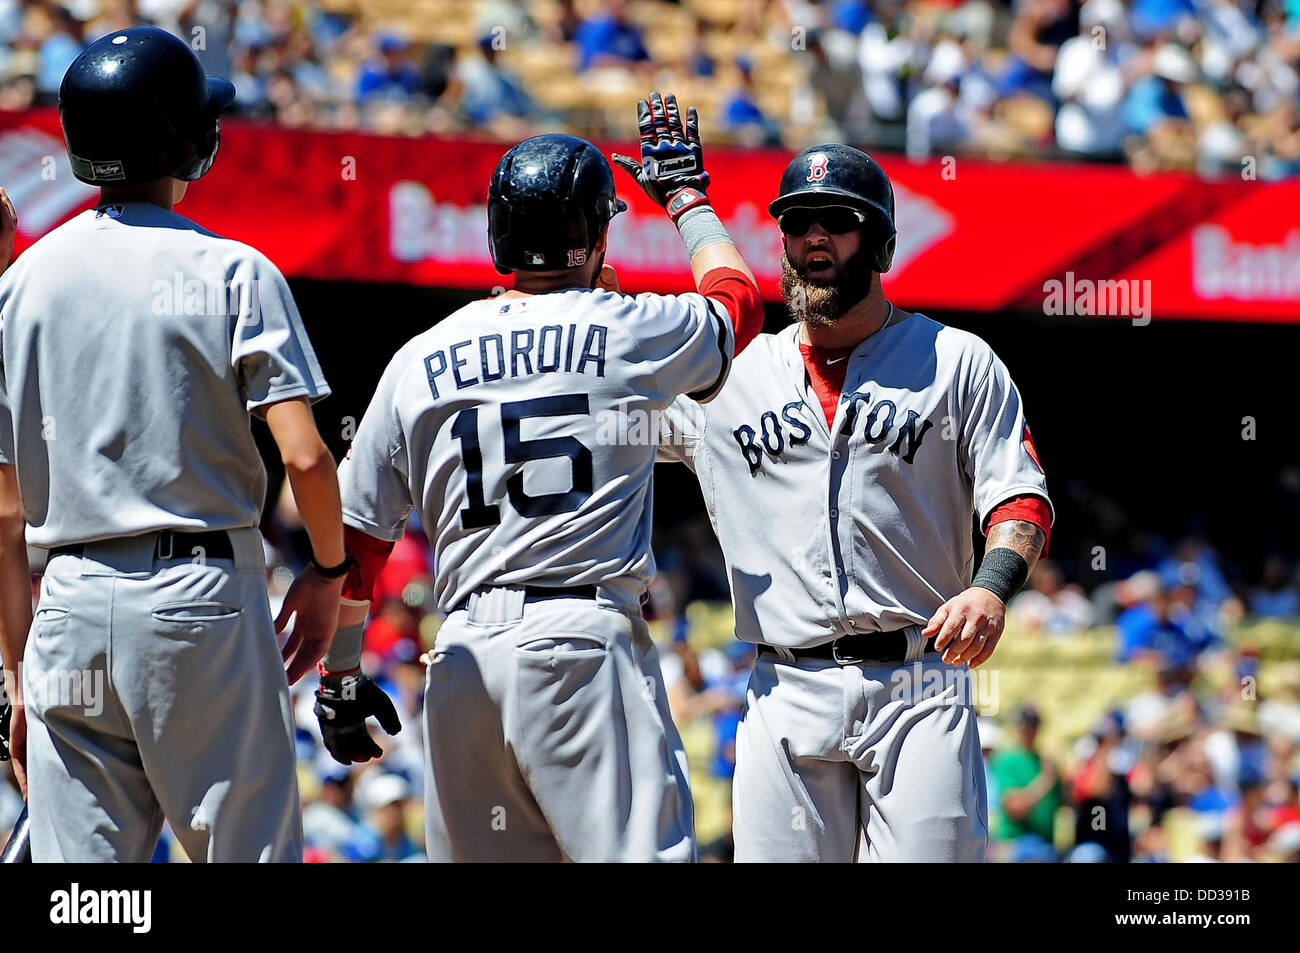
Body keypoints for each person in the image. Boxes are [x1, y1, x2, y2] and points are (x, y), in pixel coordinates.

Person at [305, 93, 764, 861]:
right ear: (598, 234)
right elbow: (738, 304)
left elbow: (358, 542)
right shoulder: (626, 327)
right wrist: (687, 198)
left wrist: (342, 674)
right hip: (580, 641)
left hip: (461, 657)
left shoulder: (421, 356)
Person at [0, 27, 345, 862]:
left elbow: (4, 515)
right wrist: (330, 574)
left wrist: (18, 678)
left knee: (85, 899)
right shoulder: (234, 269)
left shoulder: (21, 283)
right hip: (200, 596)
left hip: (68, 602)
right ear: (186, 139)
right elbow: (304, 456)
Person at [658, 143, 1052, 862]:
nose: (815, 236)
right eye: (798, 221)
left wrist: (992, 587)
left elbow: (1021, 499)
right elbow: (596, 413)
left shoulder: (956, 360)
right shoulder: (728, 375)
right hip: (782, 681)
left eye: (838, 220)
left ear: (883, 244)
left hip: (918, 683)